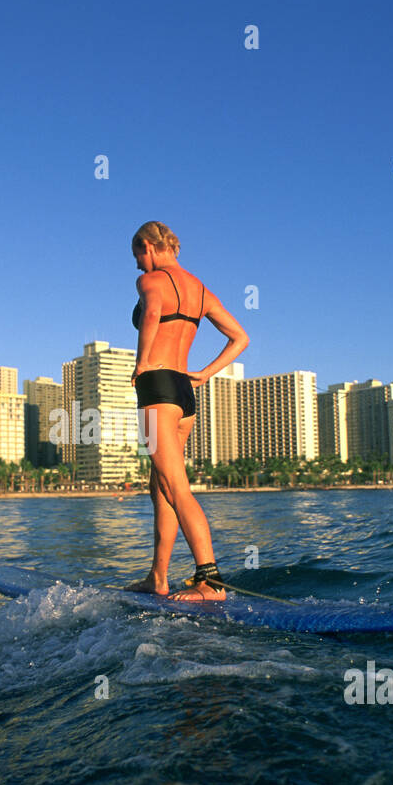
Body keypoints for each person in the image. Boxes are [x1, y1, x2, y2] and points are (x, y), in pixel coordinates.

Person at [124, 221, 249, 601]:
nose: (138, 266)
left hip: (157, 388)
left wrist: (142, 362)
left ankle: (211, 581)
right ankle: (158, 577)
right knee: (160, 486)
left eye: (138, 257)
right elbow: (240, 337)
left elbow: (151, 315)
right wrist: (204, 375)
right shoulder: (200, 289)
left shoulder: (150, 283)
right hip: (183, 392)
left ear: (149, 246)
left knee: (176, 487)